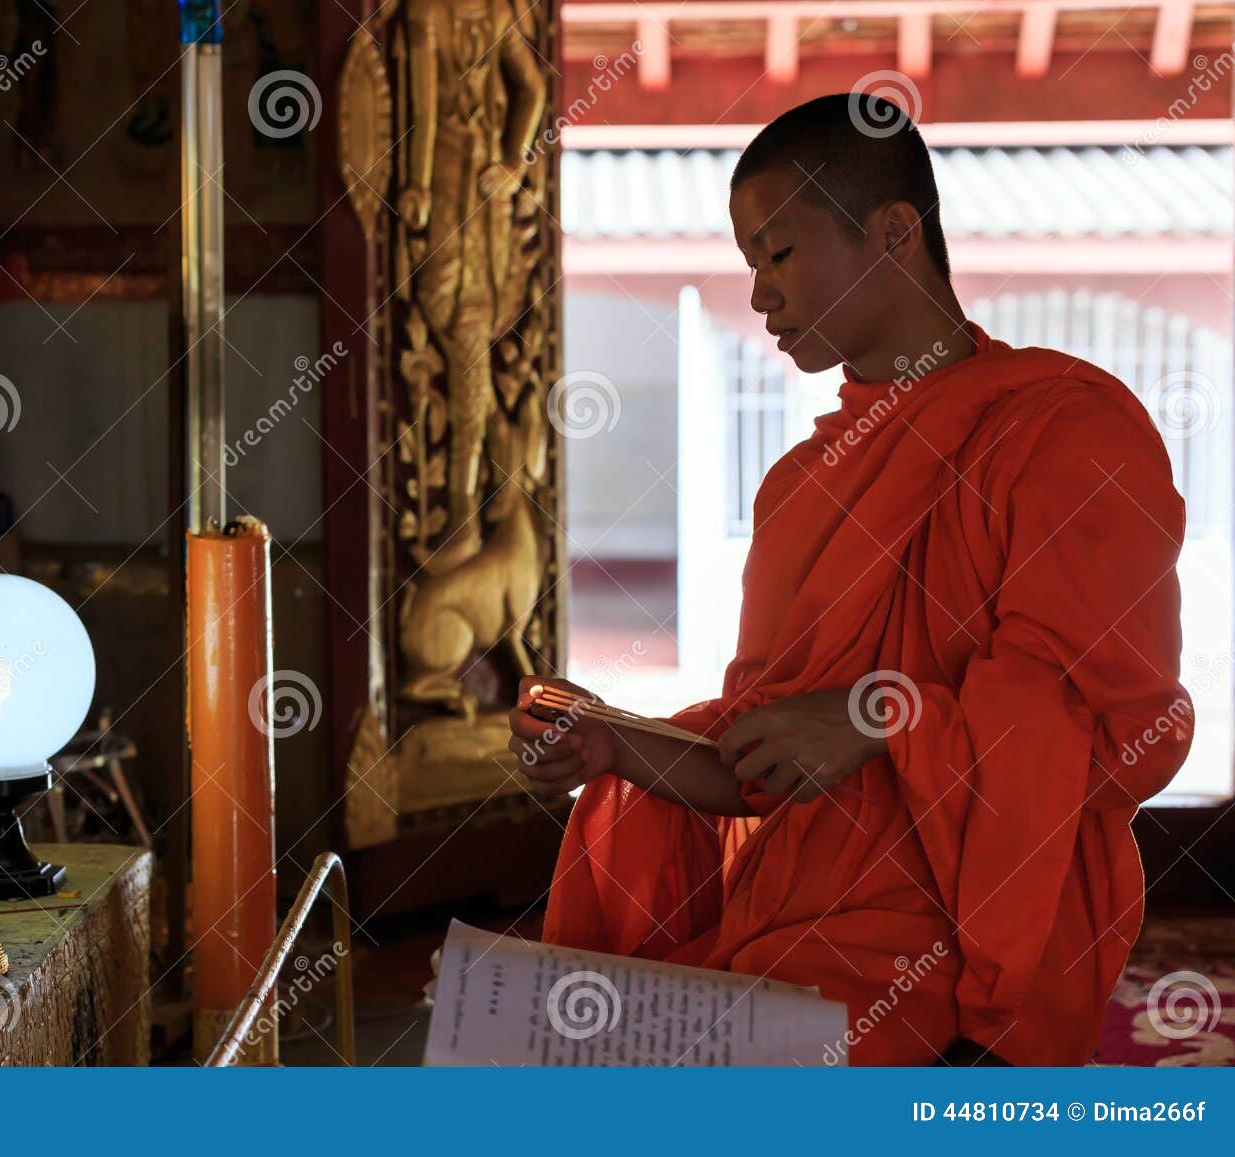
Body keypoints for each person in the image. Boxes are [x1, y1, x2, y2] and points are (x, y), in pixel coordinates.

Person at [511, 93, 1193, 1066]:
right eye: (750, 264)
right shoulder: (800, 489)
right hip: (782, 946)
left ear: (891, 231)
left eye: (778, 254)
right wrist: (611, 743)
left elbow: (1123, 740)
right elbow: (757, 756)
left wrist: (882, 716)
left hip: (964, 958)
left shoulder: (1061, 428)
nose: (759, 296)